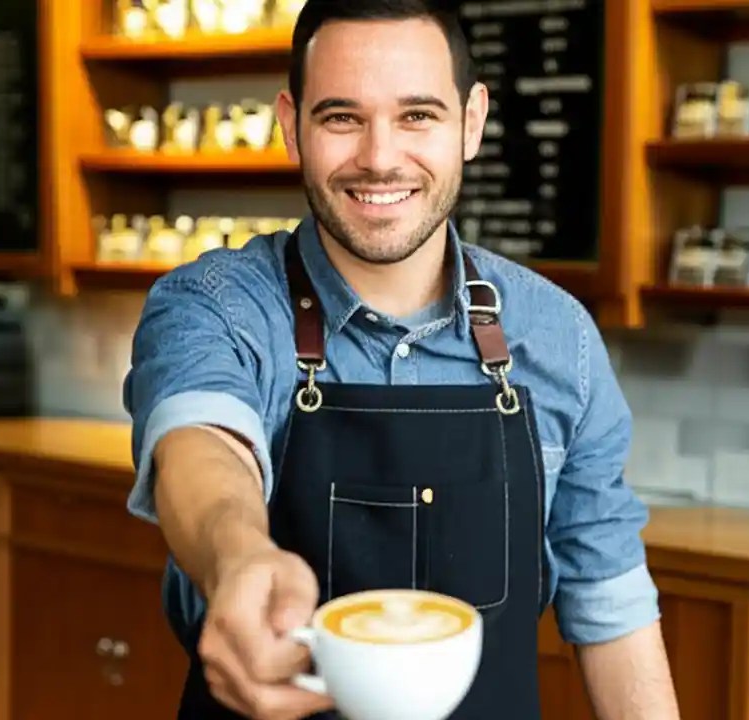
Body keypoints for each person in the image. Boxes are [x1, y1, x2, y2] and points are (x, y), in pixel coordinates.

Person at [122, 1, 680, 718]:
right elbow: (200, 444)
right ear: (291, 126)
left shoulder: (557, 336)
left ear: (471, 123)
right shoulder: (217, 304)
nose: (380, 157)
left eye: (417, 115)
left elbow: (613, 606)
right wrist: (239, 556)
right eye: (341, 118)